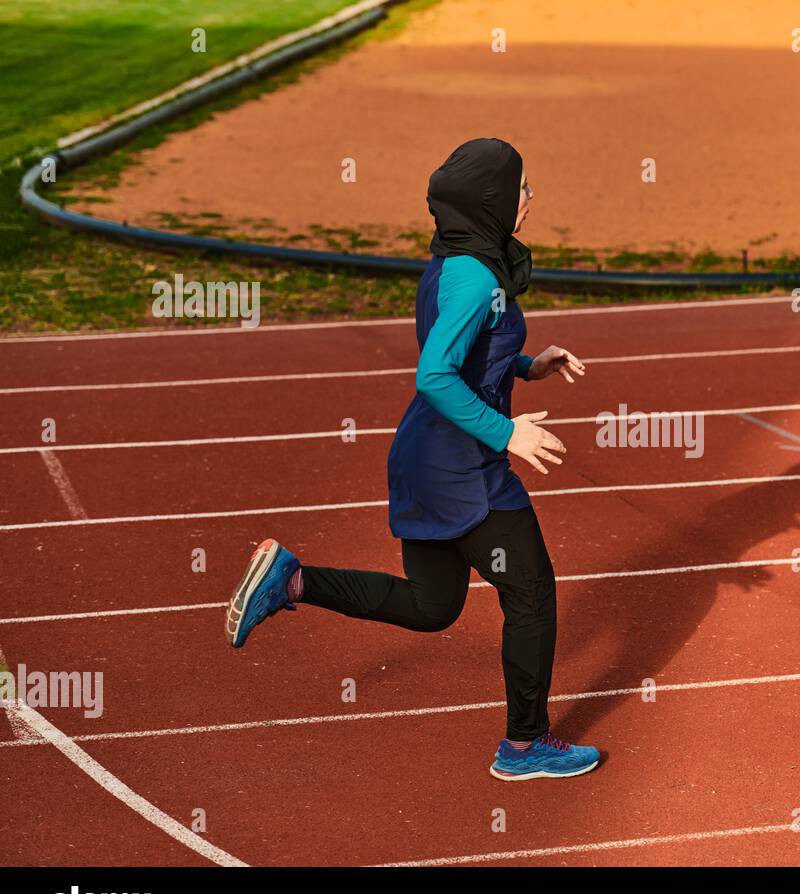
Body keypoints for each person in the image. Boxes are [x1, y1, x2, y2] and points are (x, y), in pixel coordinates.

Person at [222, 138, 599, 781]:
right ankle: (526, 745)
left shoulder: (455, 261)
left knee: (433, 606)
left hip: (425, 457)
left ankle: (294, 581)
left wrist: (529, 366)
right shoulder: (478, 279)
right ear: (493, 202)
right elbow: (435, 374)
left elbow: (470, 356)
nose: (529, 198)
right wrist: (507, 433)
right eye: (522, 189)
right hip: (465, 468)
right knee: (531, 591)